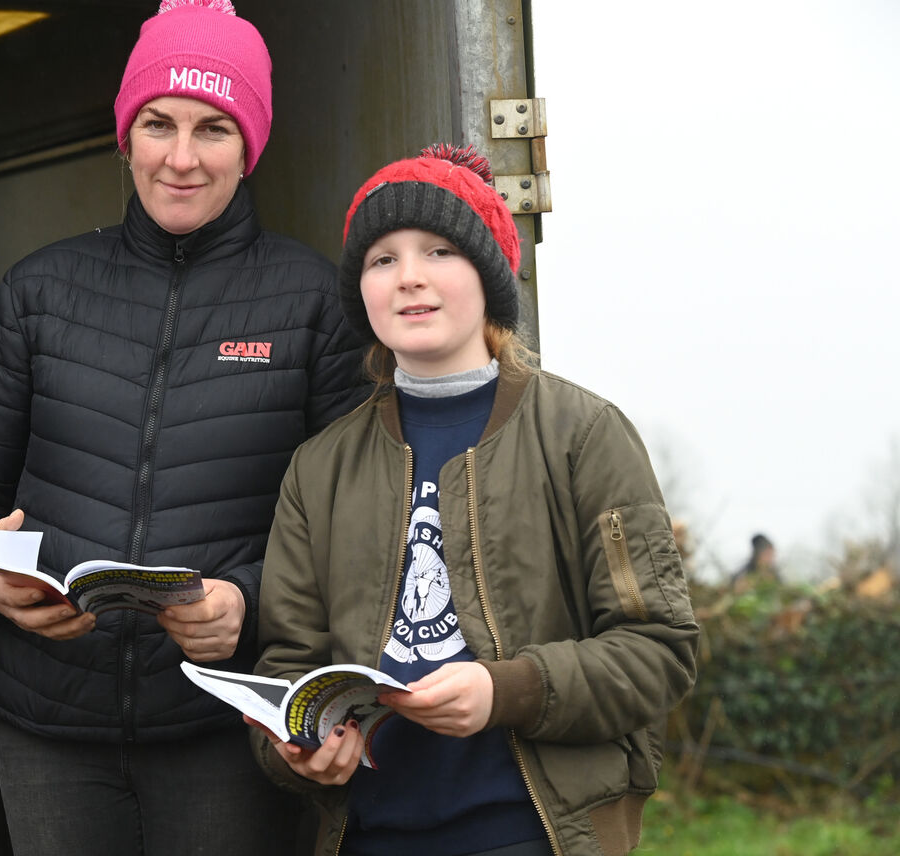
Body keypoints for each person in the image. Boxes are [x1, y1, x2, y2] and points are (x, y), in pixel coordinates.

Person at [0, 1, 366, 853]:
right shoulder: (37, 293)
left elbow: (358, 534)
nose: (182, 157)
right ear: (125, 135)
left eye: (214, 128)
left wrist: (250, 601)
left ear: (253, 144)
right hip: (45, 725)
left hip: (225, 724)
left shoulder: (314, 305)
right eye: (158, 123)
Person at [250, 144, 700, 856]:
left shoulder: (584, 435)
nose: (411, 279)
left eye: (439, 251)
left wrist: (507, 691)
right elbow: (287, 661)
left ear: (489, 273)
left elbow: (659, 651)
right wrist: (293, 748)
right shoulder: (319, 467)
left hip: (534, 835)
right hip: (369, 836)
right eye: (382, 259)